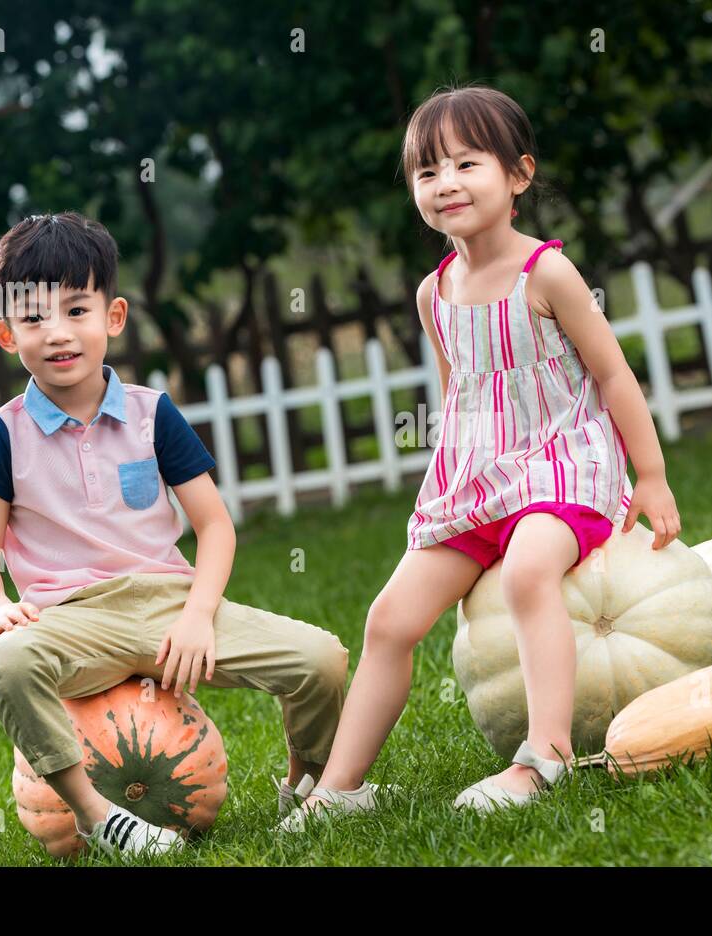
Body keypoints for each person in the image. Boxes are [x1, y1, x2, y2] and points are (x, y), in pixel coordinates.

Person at [279, 85, 681, 829]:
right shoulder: (436, 293)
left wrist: (650, 476)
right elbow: (459, 393)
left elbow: (613, 375)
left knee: (530, 572)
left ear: (519, 175)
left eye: (467, 163)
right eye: (427, 171)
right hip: (478, 478)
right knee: (389, 620)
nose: (446, 183)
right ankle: (339, 790)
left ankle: (546, 756)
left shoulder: (548, 275)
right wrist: (449, 476)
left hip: (565, 466)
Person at [0, 212, 349, 857]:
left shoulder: (151, 414)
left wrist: (199, 616)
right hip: (76, 620)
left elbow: (215, 527)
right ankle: (95, 815)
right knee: (6, 662)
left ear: (113, 317)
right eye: (33, 318)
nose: (57, 333)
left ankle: (308, 785)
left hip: (173, 607)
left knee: (321, 660)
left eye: (76, 310)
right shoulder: (3, 436)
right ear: (5, 334)